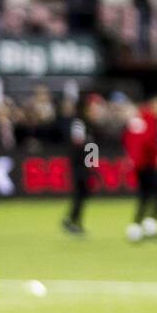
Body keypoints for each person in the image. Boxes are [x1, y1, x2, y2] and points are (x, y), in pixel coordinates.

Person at [123, 96, 157, 243]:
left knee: (145, 196)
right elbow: (149, 142)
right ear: (155, 105)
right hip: (147, 164)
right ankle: (147, 226)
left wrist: (131, 157)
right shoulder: (150, 119)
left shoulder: (138, 118)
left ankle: (137, 227)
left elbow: (127, 139)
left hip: (138, 164)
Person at [61, 94, 102, 235]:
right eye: (94, 108)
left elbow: (92, 147)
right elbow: (79, 144)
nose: (96, 111)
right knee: (80, 194)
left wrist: (93, 165)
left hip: (86, 165)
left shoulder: (90, 125)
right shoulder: (79, 123)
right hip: (80, 165)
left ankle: (72, 220)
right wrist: (89, 163)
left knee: (84, 194)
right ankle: (73, 221)